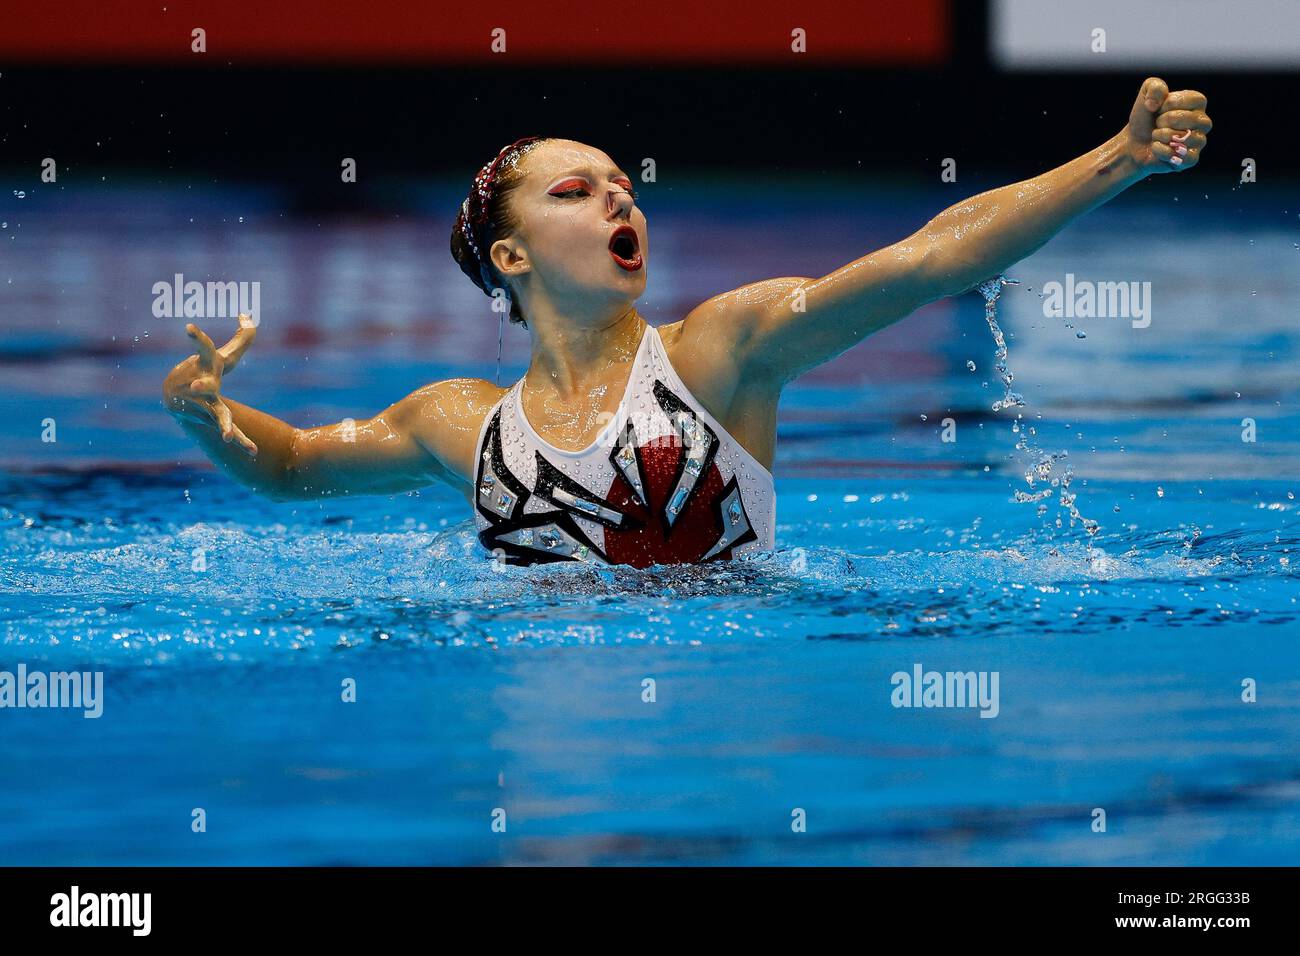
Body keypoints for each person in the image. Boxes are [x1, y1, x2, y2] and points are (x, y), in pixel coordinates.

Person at [163, 78, 1210, 568]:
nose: (619, 200)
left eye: (622, 185)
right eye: (577, 191)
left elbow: (937, 255)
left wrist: (1113, 161)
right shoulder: (459, 425)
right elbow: (296, 463)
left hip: (729, 691)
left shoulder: (722, 349)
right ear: (511, 257)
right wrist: (212, 419)